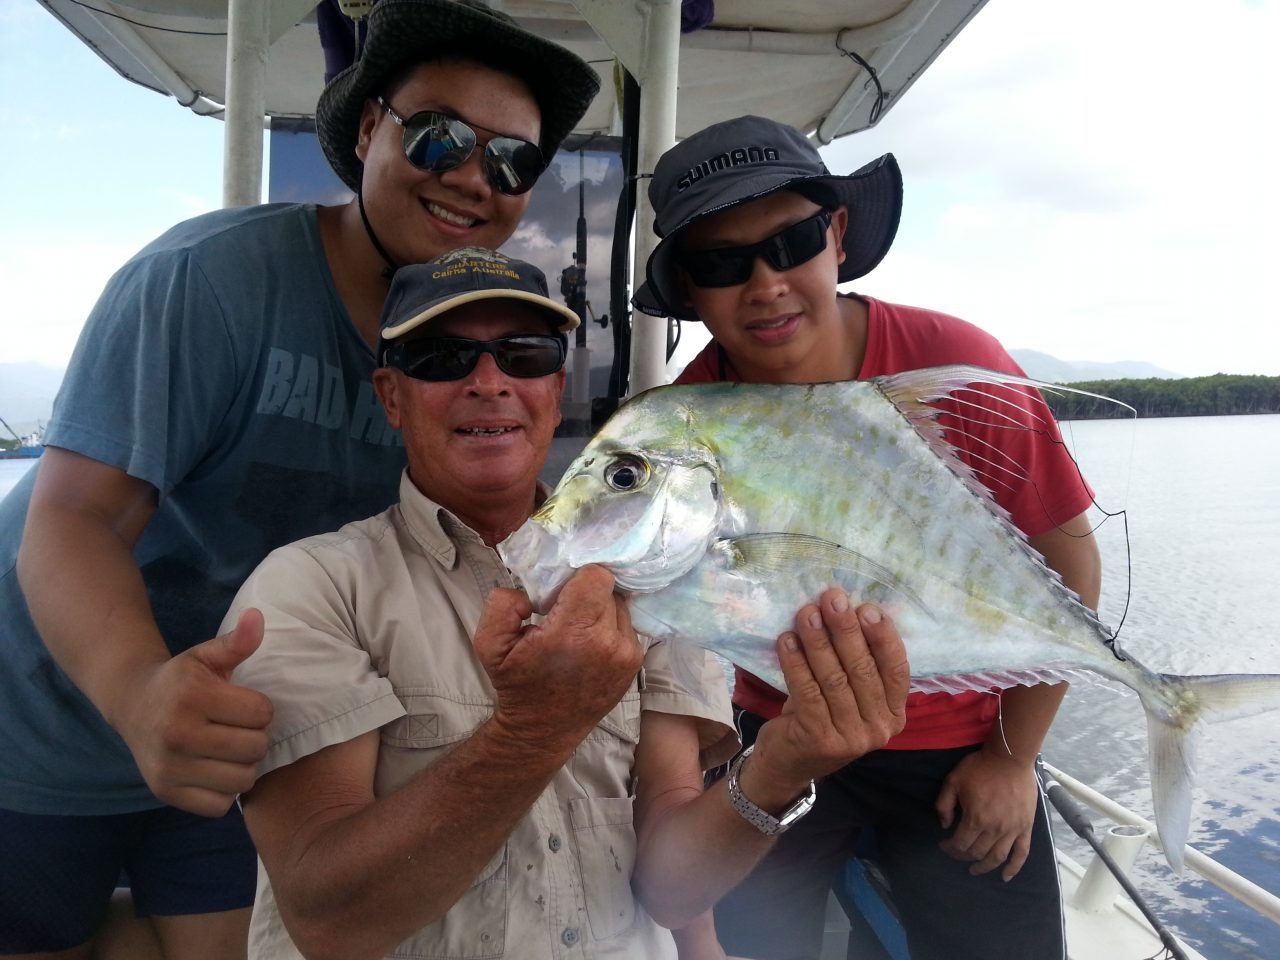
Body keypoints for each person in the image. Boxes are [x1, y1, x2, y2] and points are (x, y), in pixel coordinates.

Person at [0, 2, 600, 957]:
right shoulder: (208, 280)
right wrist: (138, 691)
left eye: (512, 160)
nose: (471, 177)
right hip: (47, 715)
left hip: (241, 723)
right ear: (368, 129)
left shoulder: (475, 367)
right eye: (438, 134)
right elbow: (74, 517)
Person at [221, 247, 911, 960]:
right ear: (391, 396)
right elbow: (330, 921)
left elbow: (669, 892)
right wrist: (533, 731)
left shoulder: (661, 575)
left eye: (524, 354)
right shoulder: (309, 587)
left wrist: (781, 768)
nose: (489, 382)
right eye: (440, 357)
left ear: (557, 389)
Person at [633, 115, 1103, 960]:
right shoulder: (687, 419)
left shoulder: (955, 364)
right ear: (691, 291)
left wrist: (1010, 757)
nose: (766, 283)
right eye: (721, 263)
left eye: (792, 241)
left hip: (958, 742)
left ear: (838, 236)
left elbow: (1068, 555)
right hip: (777, 735)